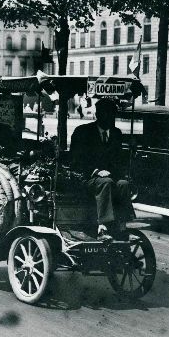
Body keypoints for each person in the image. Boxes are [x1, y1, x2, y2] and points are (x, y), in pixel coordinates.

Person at [70, 98, 131, 240]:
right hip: (85, 178)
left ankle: (121, 223)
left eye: (111, 114)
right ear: (97, 115)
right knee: (106, 182)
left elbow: (118, 160)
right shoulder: (83, 132)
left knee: (123, 184)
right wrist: (96, 171)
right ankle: (102, 227)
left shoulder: (117, 134)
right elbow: (76, 160)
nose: (108, 118)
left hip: (107, 178)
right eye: (104, 114)